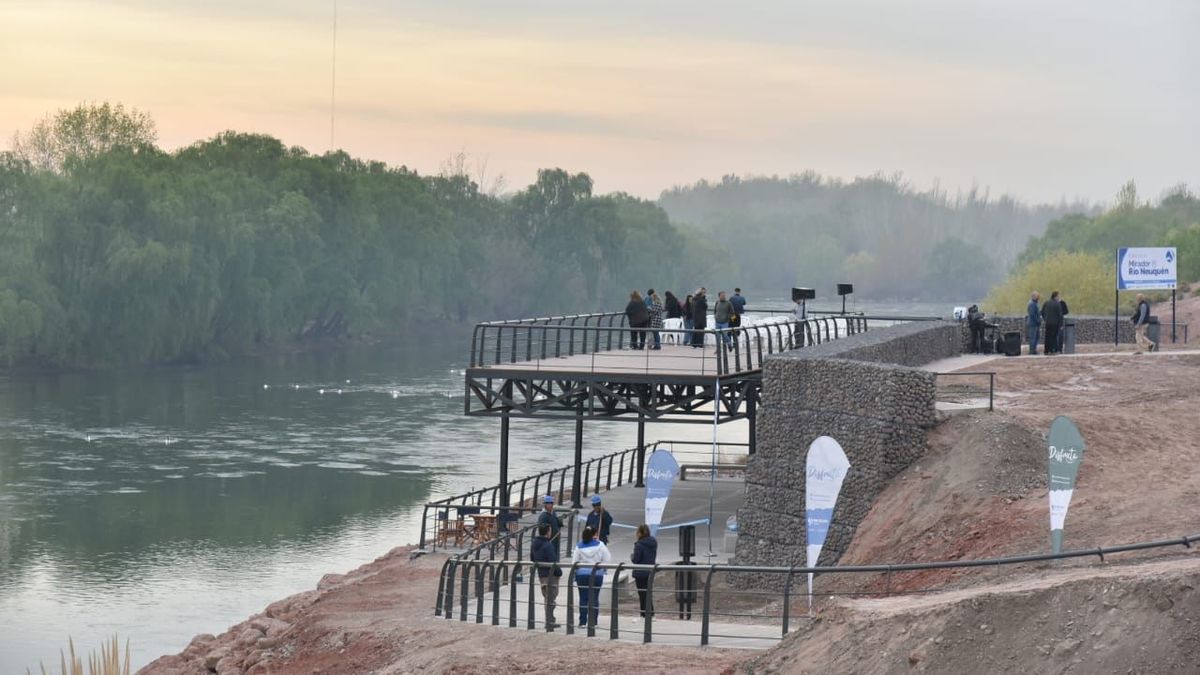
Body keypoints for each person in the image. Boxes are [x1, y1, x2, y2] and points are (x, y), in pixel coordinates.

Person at [571, 526, 611, 627]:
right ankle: (593, 622)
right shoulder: (600, 545)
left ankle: (582, 622)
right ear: (594, 534)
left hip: (582, 574)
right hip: (597, 574)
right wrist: (602, 568)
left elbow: (574, 561)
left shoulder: (579, 546)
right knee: (594, 598)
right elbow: (607, 558)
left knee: (583, 598)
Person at [530, 523, 562, 629]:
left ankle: (550, 619)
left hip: (541, 574)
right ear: (548, 532)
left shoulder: (534, 544)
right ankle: (549, 621)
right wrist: (559, 572)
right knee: (551, 598)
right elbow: (553, 560)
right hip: (550, 575)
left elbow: (532, 558)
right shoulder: (548, 545)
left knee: (547, 598)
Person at [631, 524, 658, 619]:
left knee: (642, 593)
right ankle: (650, 612)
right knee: (648, 592)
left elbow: (636, 559)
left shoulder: (639, 544)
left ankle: (644, 614)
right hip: (650, 570)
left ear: (640, 533)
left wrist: (632, 556)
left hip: (640, 572)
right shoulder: (653, 542)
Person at [537, 494, 561, 559]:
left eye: (551, 503)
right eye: (548, 503)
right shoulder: (543, 516)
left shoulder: (553, 512)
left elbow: (556, 521)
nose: (550, 505)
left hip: (555, 539)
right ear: (544, 504)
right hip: (549, 541)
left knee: (555, 557)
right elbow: (542, 530)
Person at [1041, 291, 1064, 355]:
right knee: (1053, 337)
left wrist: (1045, 319)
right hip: (1055, 323)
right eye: (1058, 296)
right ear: (1056, 296)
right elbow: (1060, 315)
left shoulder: (1046, 303)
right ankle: (1052, 350)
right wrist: (1061, 324)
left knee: (1047, 336)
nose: (1059, 297)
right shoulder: (1057, 304)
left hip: (1048, 322)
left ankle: (1046, 350)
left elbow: (1042, 312)